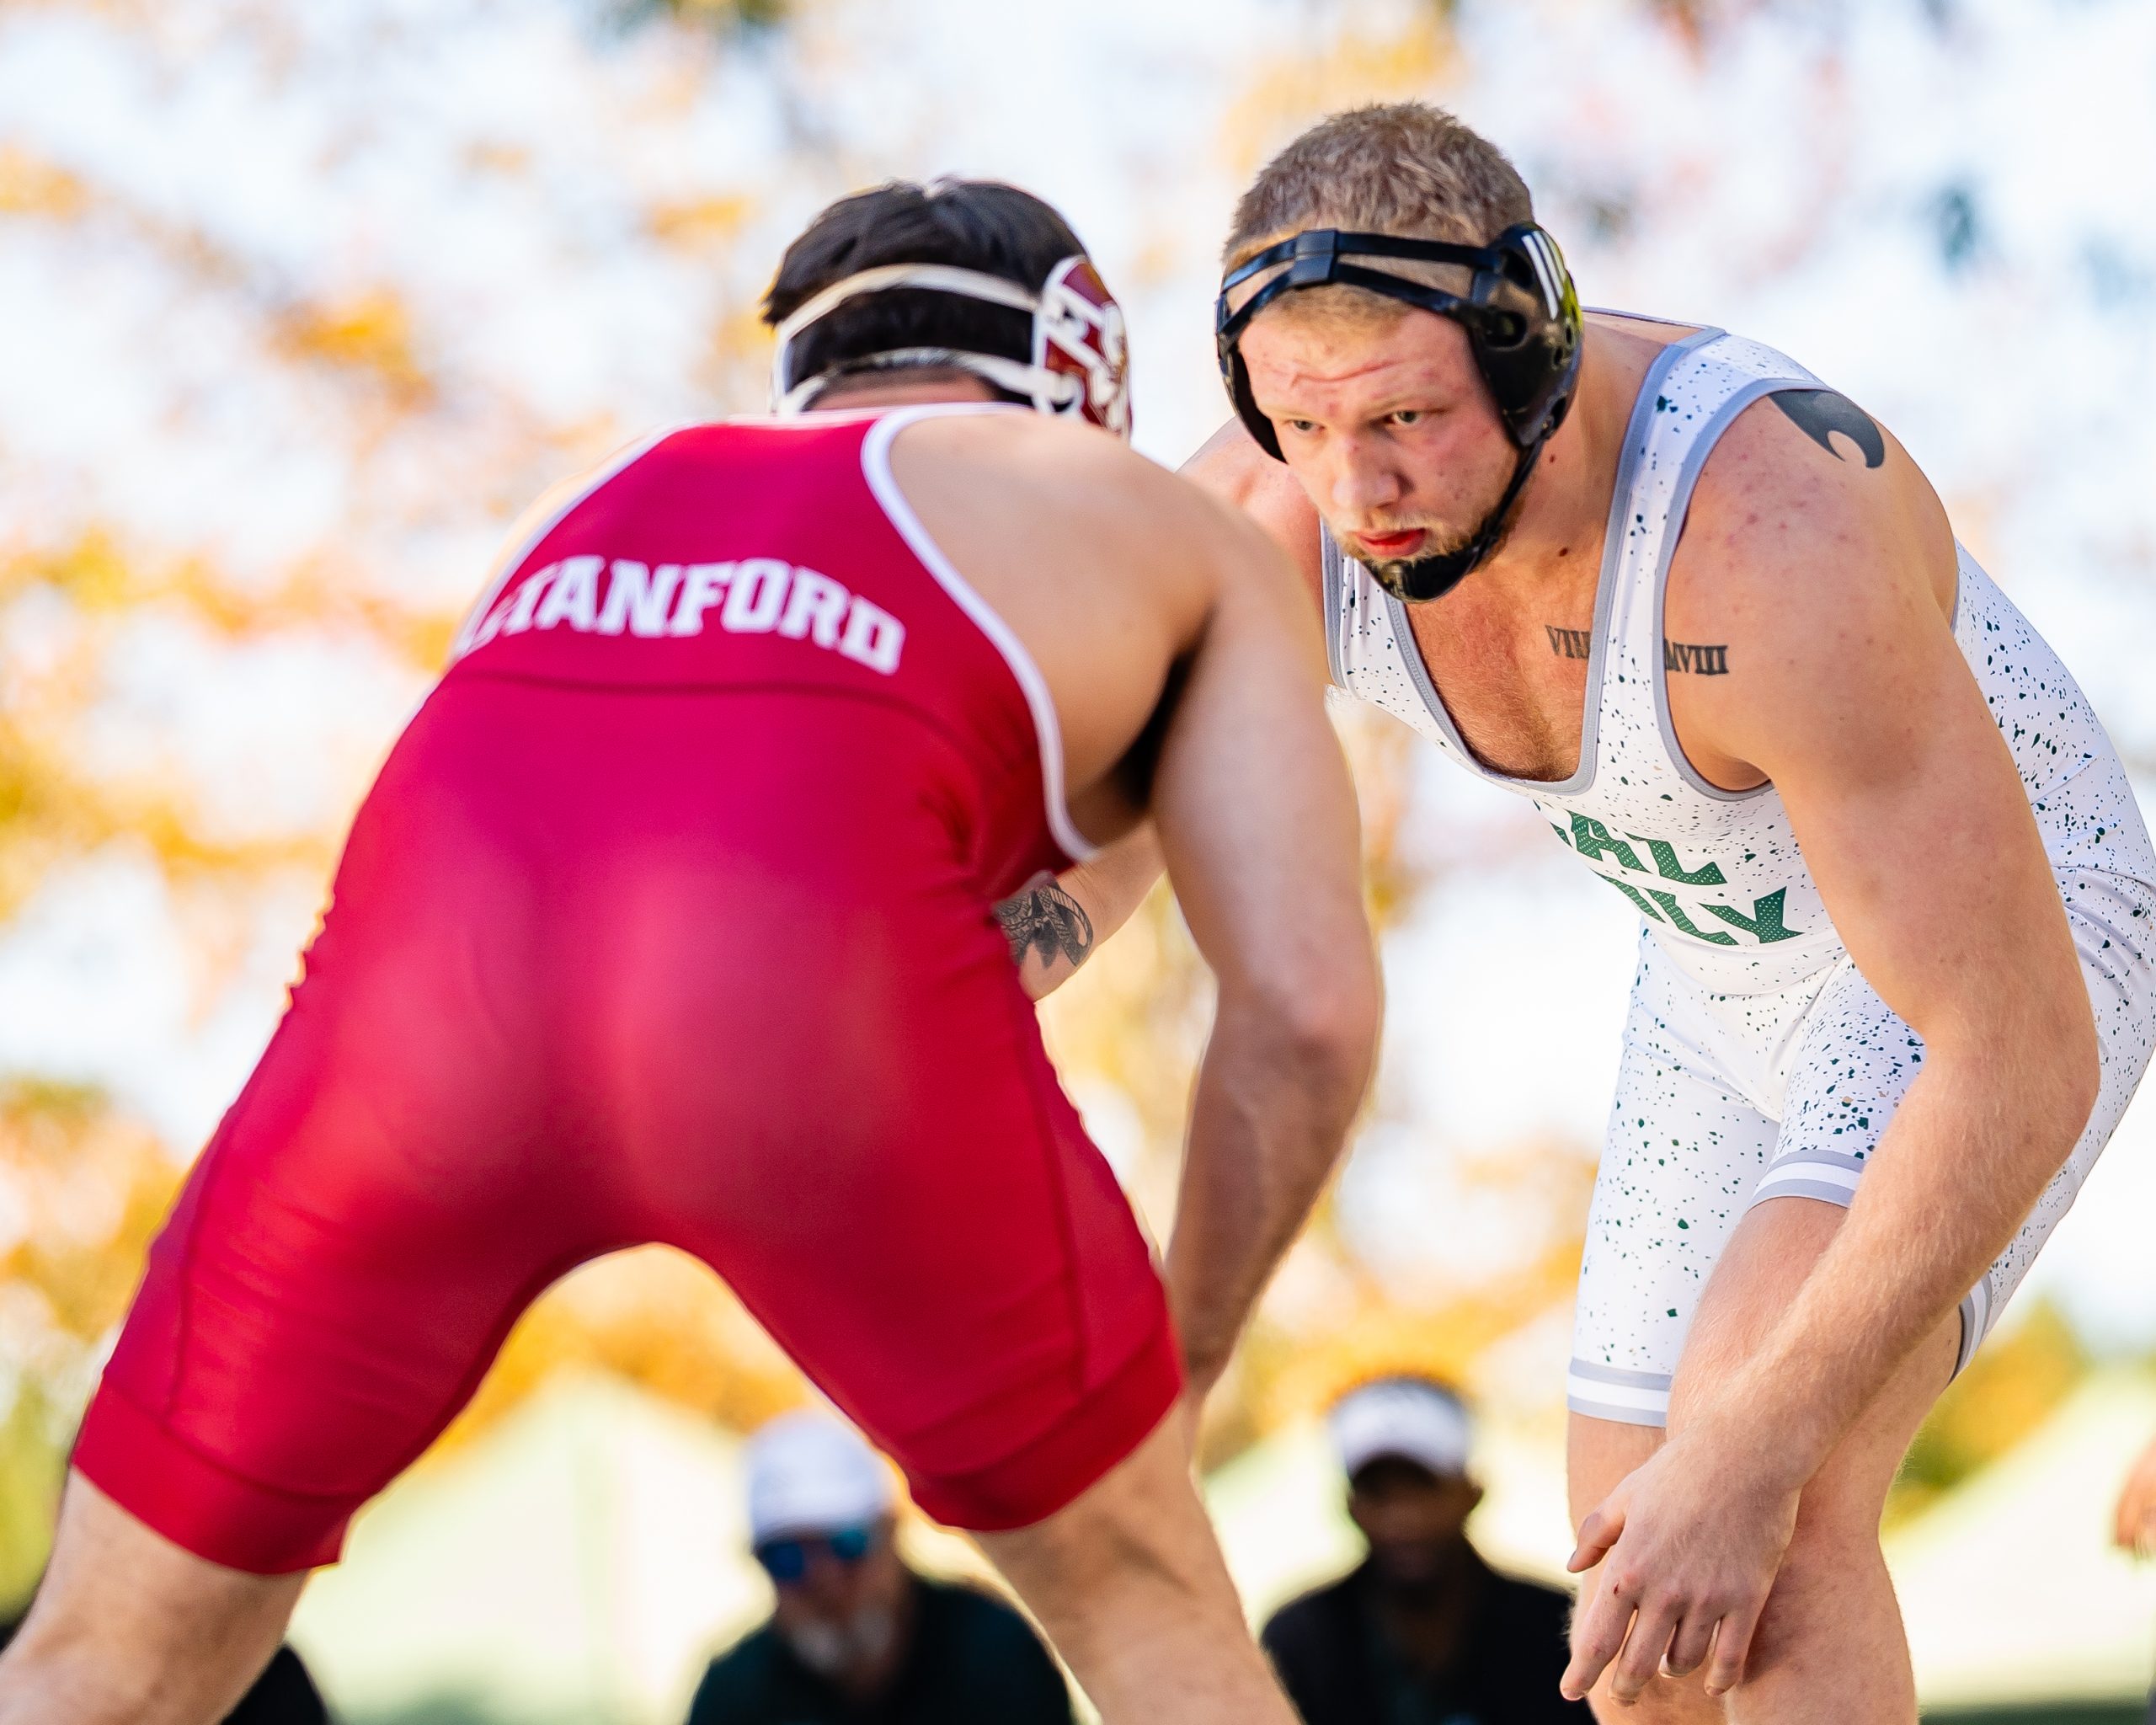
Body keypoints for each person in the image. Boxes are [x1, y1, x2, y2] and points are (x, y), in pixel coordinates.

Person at [0, 178, 1382, 1725]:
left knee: (96, 1668)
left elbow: (745, 834)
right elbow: (1305, 1011)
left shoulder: (596, 499)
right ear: (1082, 372)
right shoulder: (1144, 523)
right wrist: (1171, 1376)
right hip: (803, 1003)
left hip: (409, 1038)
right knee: (1153, 1625)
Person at [1028, 102, 2156, 1721]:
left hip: (2002, 946)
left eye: (1408, 416)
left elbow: (2021, 1048)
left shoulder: (1764, 533)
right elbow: (1106, 822)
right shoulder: (1276, 511)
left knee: (1769, 1499)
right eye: (1302, 422)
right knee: (1636, 1599)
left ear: (1531, 352)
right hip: (1714, 964)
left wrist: (1764, 1443)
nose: (1358, 485)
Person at [686, 1410, 1072, 1724]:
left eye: (847, 1543)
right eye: (787, 1558)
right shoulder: (733, 1693)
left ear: (891, 1532)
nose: (825, 1580)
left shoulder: (997, 1655)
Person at [1260, 1377, 1583, 1725]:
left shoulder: (1559, 1629)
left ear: (1471, 1492)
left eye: (1423, 1487)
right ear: (1351, 1507)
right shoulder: (1299, 1643)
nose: (1402, 1519)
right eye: (1378, 1493)